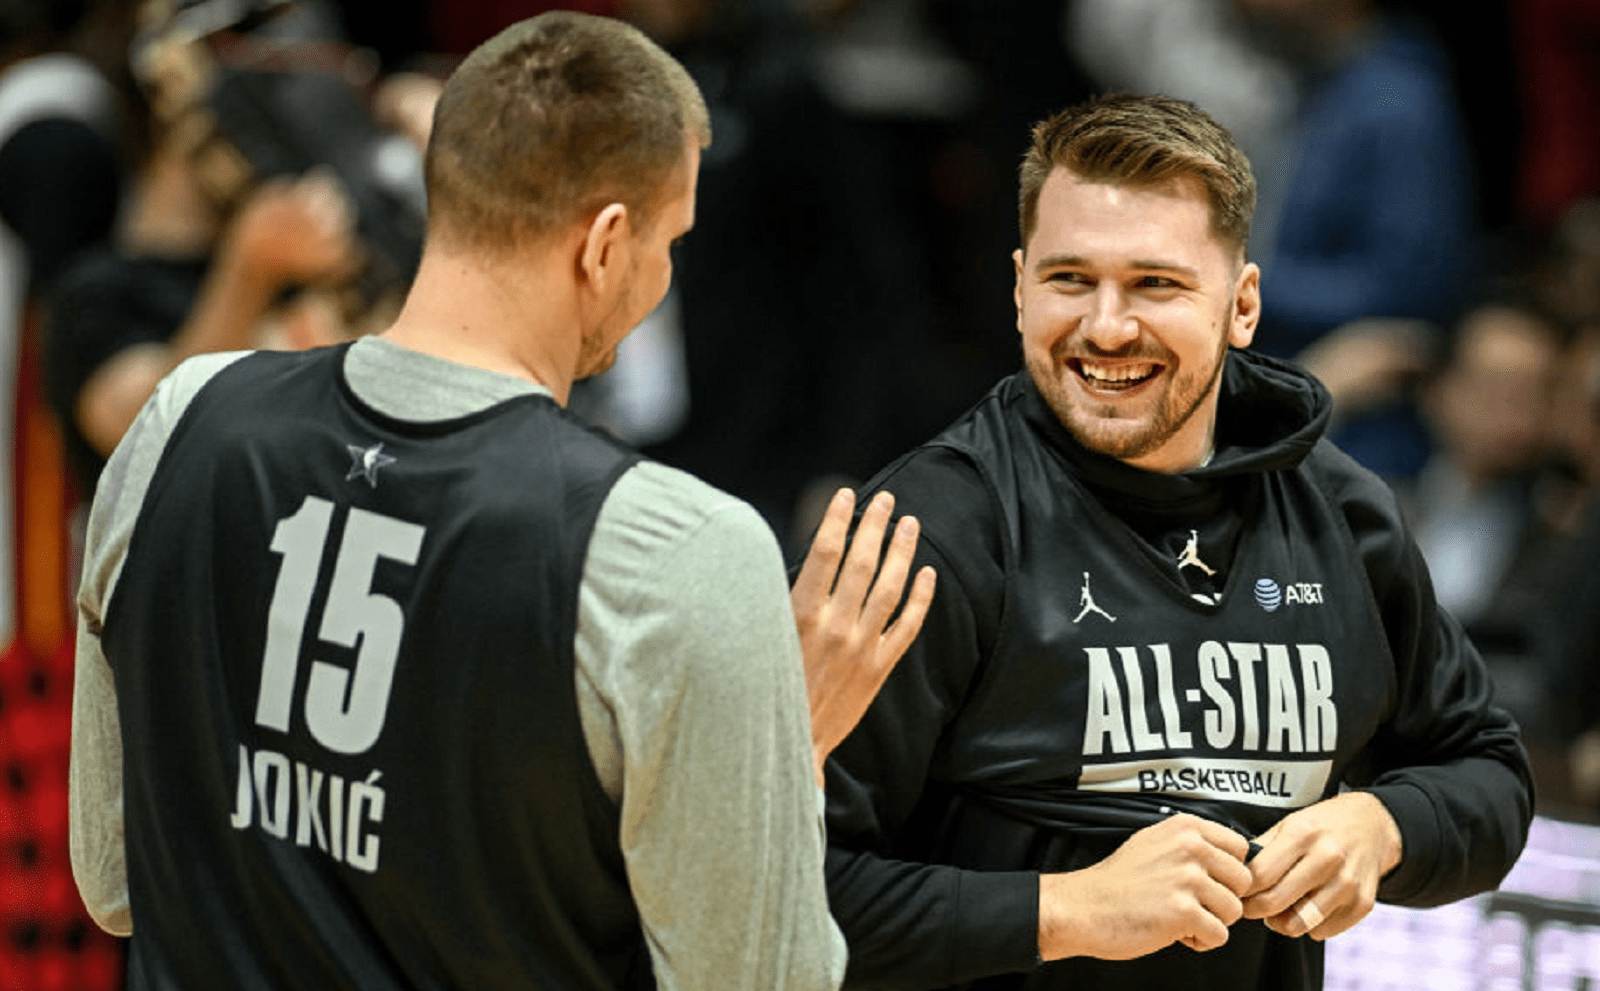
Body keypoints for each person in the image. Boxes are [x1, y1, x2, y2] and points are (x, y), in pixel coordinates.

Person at [68, 12, 933, 990]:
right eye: (670, 241)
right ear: (606, 244)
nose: (664, 278)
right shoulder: (680, 544)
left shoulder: (181, 416)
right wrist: (786, 745)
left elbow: (115, 879)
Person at [819, 93, 1533, 990]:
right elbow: (791, 892)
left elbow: (1489, 772)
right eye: (1069, 279)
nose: (1107, 327)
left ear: (1242, 306)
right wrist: (1066, 911)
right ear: (1017, 287)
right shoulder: (932, 529)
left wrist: (1384, 828)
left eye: (1155, 283)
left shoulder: (1342, 513)